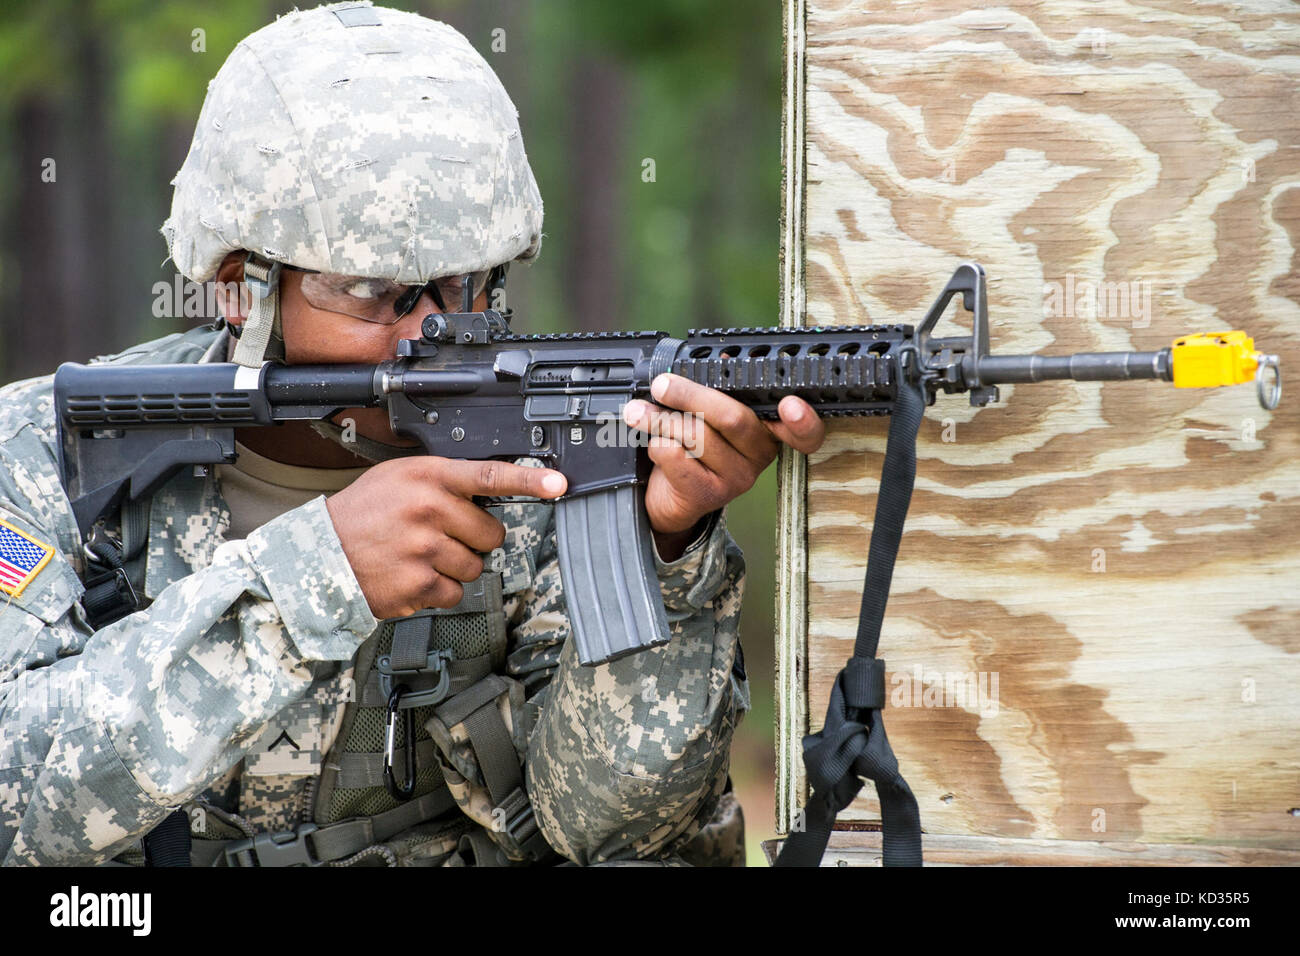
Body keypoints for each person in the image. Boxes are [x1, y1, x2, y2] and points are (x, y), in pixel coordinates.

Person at [0, 1, 823, 866]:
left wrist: (669, 549)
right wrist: (319, 576)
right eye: (373, 292)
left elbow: (611, 827)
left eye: (464, 285)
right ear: (242, 289)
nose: (432, 331)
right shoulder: (45, 455)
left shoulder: (538, 456)